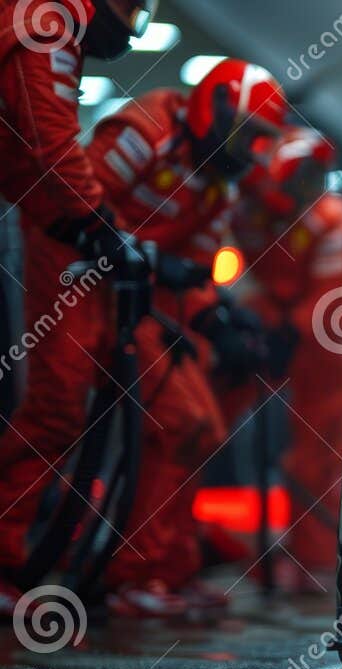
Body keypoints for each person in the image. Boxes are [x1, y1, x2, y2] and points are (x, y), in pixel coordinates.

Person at [86, 57, 288, 615]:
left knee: (198, 426)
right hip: (74, 294)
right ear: (215, 108)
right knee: (53, 422)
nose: (250, 149)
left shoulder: (217, 187)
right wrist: (147, 259)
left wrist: (218, 318)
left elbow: (194, 275)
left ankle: (160, 573)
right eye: (247, 133)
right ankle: (126, 574)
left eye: (260, 140)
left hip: (138, 304)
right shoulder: (146, 132)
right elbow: (72, 208)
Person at [0, 0, 157, 614]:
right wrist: (98, 222)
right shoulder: (54, 15)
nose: (133, 15)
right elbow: (51, 139)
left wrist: (93, 226)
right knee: (55, 406)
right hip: (46, 233)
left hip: (42, 228)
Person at [233, 127, 342, 590]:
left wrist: (283, 328)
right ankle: (305, 558)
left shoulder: (333, 223)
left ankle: (316, 564)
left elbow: (324, 299)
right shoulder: (254, 214)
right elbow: (263, 279)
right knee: (199, 420)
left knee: (319, 451)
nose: (307, 188)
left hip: (341, 332)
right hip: (301, 322)